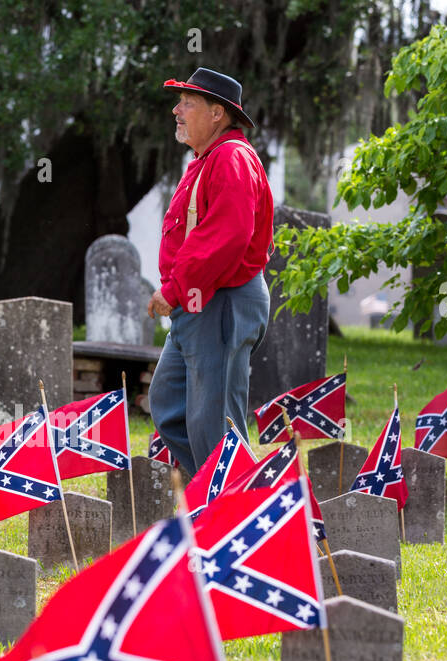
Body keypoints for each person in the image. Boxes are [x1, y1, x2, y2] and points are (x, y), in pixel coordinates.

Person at [146, 67, 274, 475]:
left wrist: (176, 287)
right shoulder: (207, 161)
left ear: (217, 113)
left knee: (215, 427)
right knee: (169, 405)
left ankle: (237, 514)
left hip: (222, 299)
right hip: (202, 301)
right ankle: (214, 495)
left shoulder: (231, 158)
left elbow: (228, 234)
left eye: (188, 103)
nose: (176, 111)